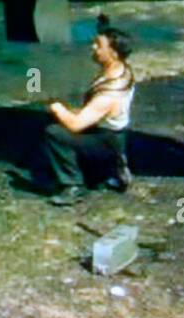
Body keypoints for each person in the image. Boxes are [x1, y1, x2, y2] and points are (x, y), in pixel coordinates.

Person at [33, 22, 135, 205]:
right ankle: (111, 167)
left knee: (54, 132)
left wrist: (56, 107)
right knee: (62, 118)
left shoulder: (109, 93)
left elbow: (76, 124)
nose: (93, 48)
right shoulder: (122, 70)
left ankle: (73, 186)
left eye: (98, 45)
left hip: (107, 140)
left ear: (113, 53)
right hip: (112, 133)